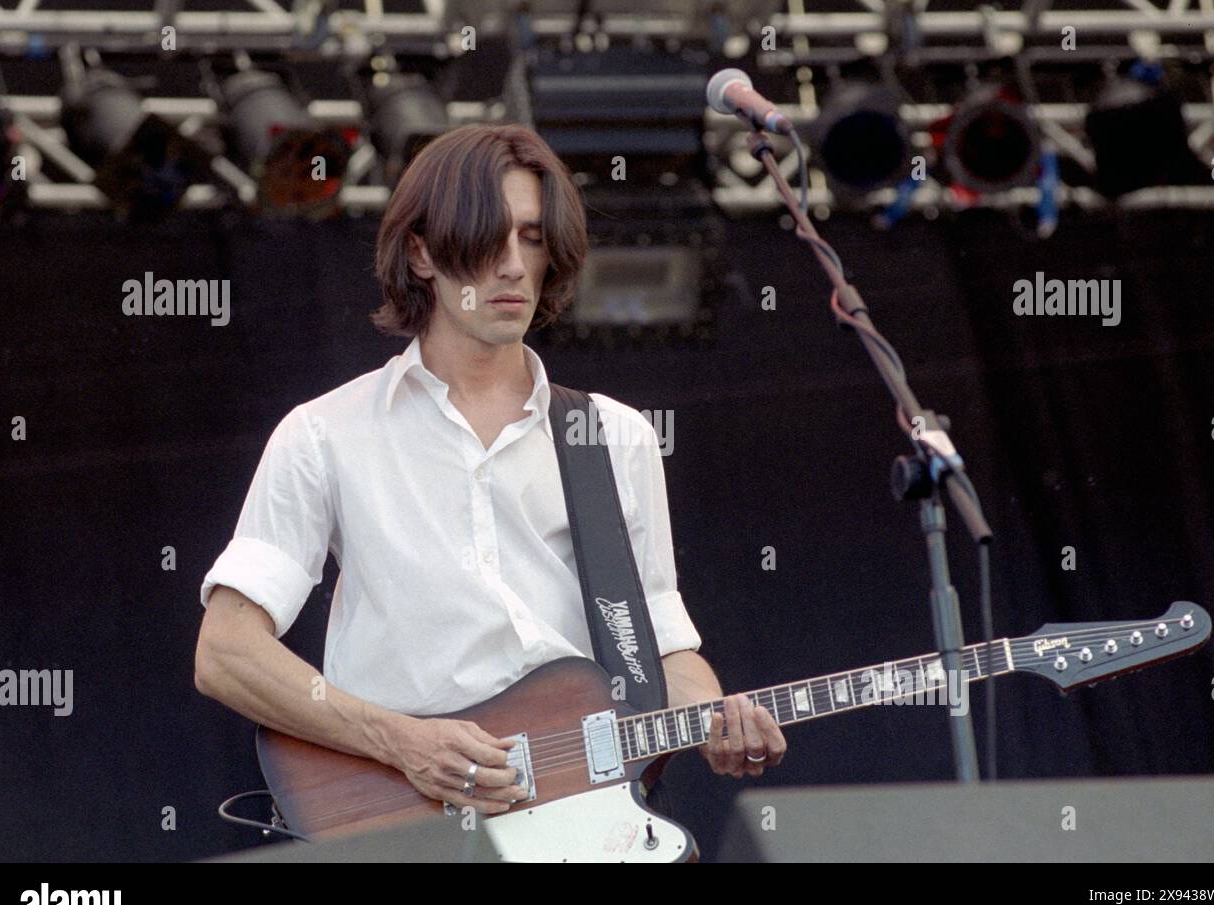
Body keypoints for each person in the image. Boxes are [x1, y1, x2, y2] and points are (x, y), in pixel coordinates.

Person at [193, 123, 785, 821]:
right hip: (409, 820)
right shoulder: (325, 433)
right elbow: (226, 651)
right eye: (487, 237)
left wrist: (716, 718)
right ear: (420, 252)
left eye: (533, 238)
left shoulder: (614, 436)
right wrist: (400, 740)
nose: (512, 265)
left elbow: (661, 647)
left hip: (582, 822)